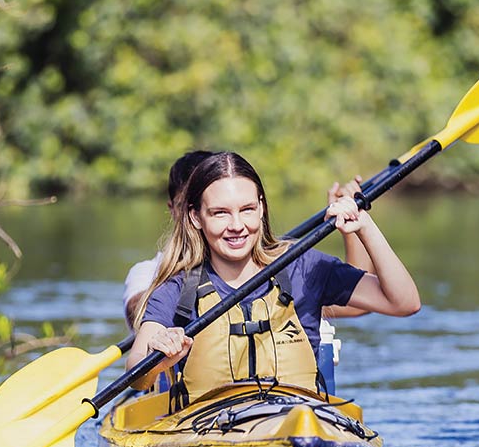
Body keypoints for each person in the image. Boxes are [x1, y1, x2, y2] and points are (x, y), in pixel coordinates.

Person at [126, 151, 419, 407]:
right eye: (220, 213)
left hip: (302, 421)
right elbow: (136, 373)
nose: (237, 225)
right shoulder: (178, 288)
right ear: (195, 217)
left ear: (262, 207)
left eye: (247, 210)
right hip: (210, 429)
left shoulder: (303, 266)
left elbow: (404, 303)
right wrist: (157, 357)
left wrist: (365, 226)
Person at [123, 150, 214, 327]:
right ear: (171, 209)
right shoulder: (146, 271)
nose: (194, 215)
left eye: (204, 205)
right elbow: (138, 314)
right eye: (185, 206)